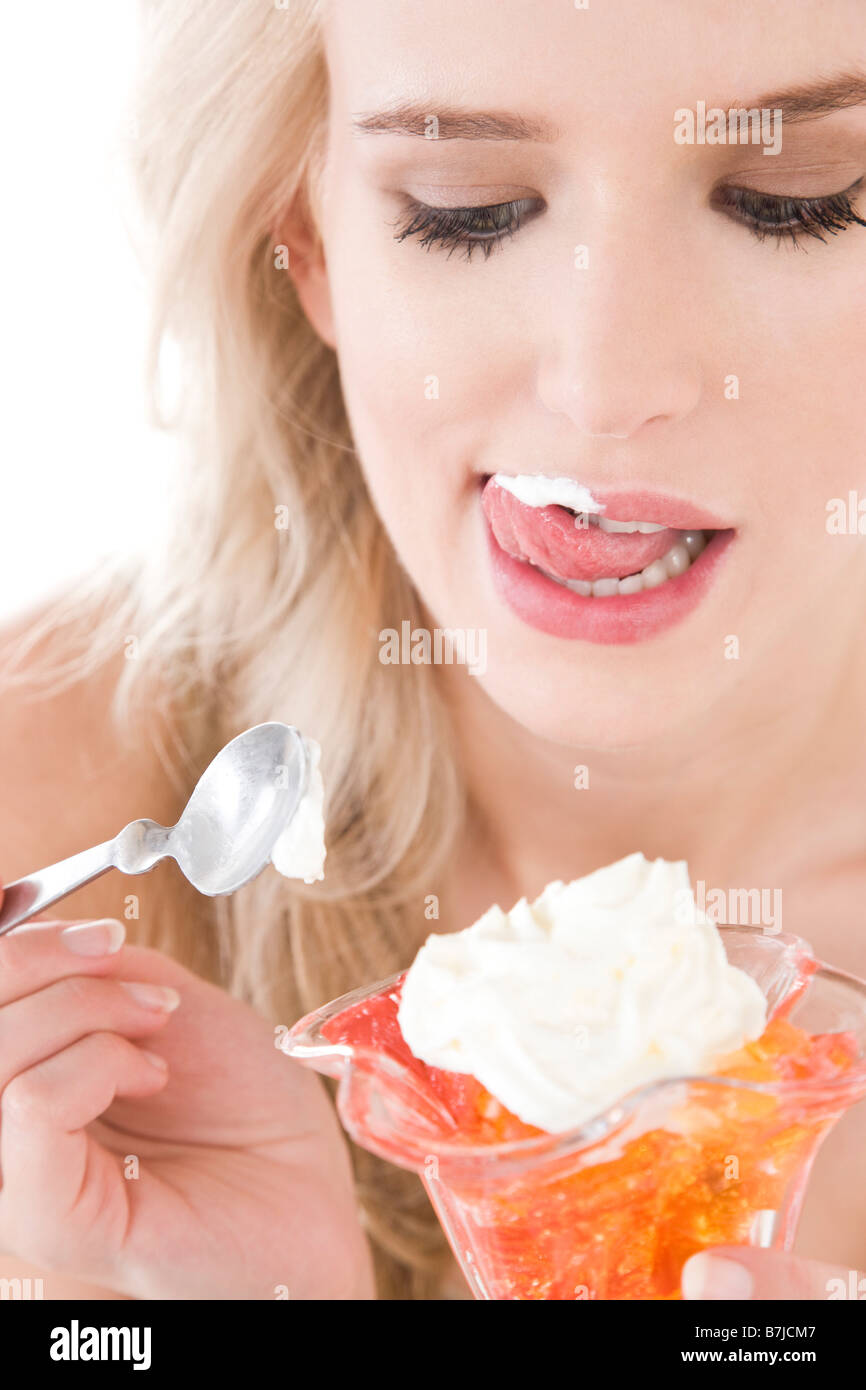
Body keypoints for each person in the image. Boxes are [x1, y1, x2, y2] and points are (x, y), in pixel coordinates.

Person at [1, 0, 865, 1301]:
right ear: (307, 241)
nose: (603, 380)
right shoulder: (49, 848)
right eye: (465, 209)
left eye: (790, 199)